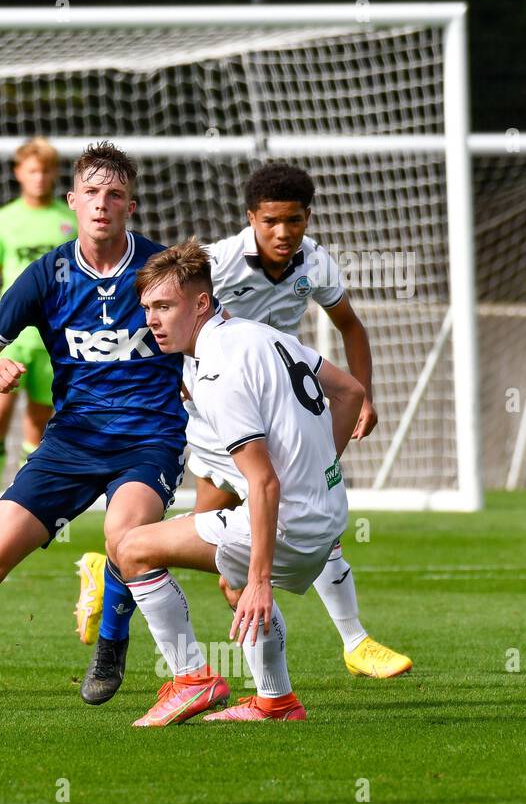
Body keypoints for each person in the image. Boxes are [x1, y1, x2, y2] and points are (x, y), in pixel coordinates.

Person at [74, 163, 411, 682]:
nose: (283, 233)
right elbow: (163, 312)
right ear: (251, 217)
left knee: (274, 530)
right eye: (271, 221)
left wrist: (345, 424)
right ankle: (116, 571)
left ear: (307, 218)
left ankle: (340, 649)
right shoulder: (220, 265)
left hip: (274, 405)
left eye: (294, 221)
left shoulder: (315, 264)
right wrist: (181, 380)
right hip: (220, 420)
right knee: (235, 556)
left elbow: (351, 327)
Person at [0, 141, 186, 715]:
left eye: (116, 195)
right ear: (72, 201)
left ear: (131, 206)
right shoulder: (49, 273)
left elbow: (215, 334)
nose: (103, 204)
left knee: (125, 538)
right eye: (93, 194)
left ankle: (110, 644)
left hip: (149, 439)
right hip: (71, 439)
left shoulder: (162, 270)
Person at [112, 238, 366, 723]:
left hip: (288, 524)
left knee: (132, 548)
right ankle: (276, 701)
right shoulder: (260, 333)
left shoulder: (218, 372)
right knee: (233, 583)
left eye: (165, 306)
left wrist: (260, 579)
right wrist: (320, 469)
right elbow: (350, 393)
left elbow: (265, 483)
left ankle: (193, 680)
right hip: (329, 517)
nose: (152, 320)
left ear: (202, 302)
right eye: (147, 308)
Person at [0, 137, 76, 535]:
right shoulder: (3, 221)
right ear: (18, 173)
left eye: (45, 170)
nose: (39, 177)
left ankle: (29, 507)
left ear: (54, 174)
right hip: (12, 337)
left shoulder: (69, 219)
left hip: (54, 340)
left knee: (38, 426)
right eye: (31, 170)